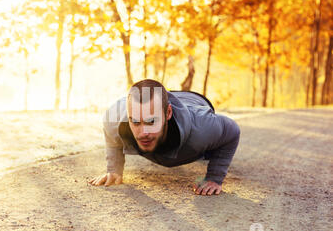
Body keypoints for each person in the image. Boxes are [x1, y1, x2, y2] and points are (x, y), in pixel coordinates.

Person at [88, 79, 241, 196]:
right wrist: (114, 169)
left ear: (168, 113)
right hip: (161, 98)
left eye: (151, 121)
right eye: (135, 122)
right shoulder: (114, 118)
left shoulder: (202, 127)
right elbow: (111, 134)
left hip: (193, 100)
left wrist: (215, 177)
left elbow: (232, 131)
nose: (142, 133)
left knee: (205, 152)